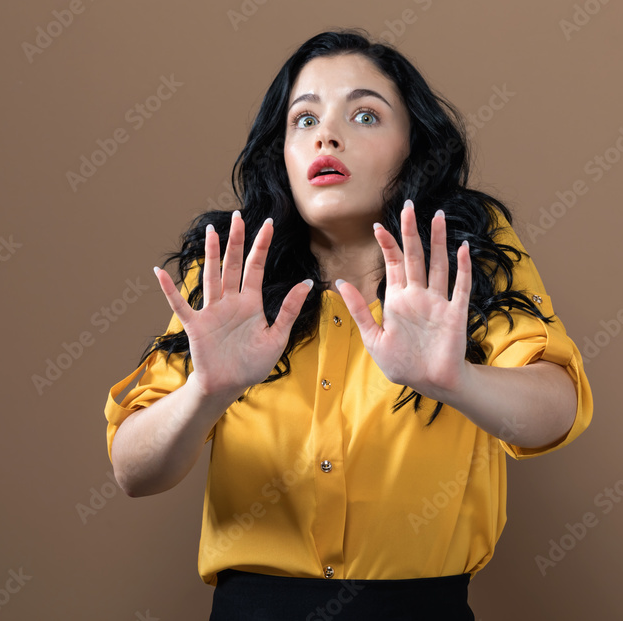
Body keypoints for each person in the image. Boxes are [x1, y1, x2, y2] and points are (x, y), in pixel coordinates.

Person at [102, 28, 593, 620]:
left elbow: (555, 412)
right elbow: (133, 470)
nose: (327, 135)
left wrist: (456, 380)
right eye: (303, 121)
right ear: (280, 154)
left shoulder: (464, 248)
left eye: (365, 115)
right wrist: (207, 391)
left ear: (414, 146)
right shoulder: (232, 272)